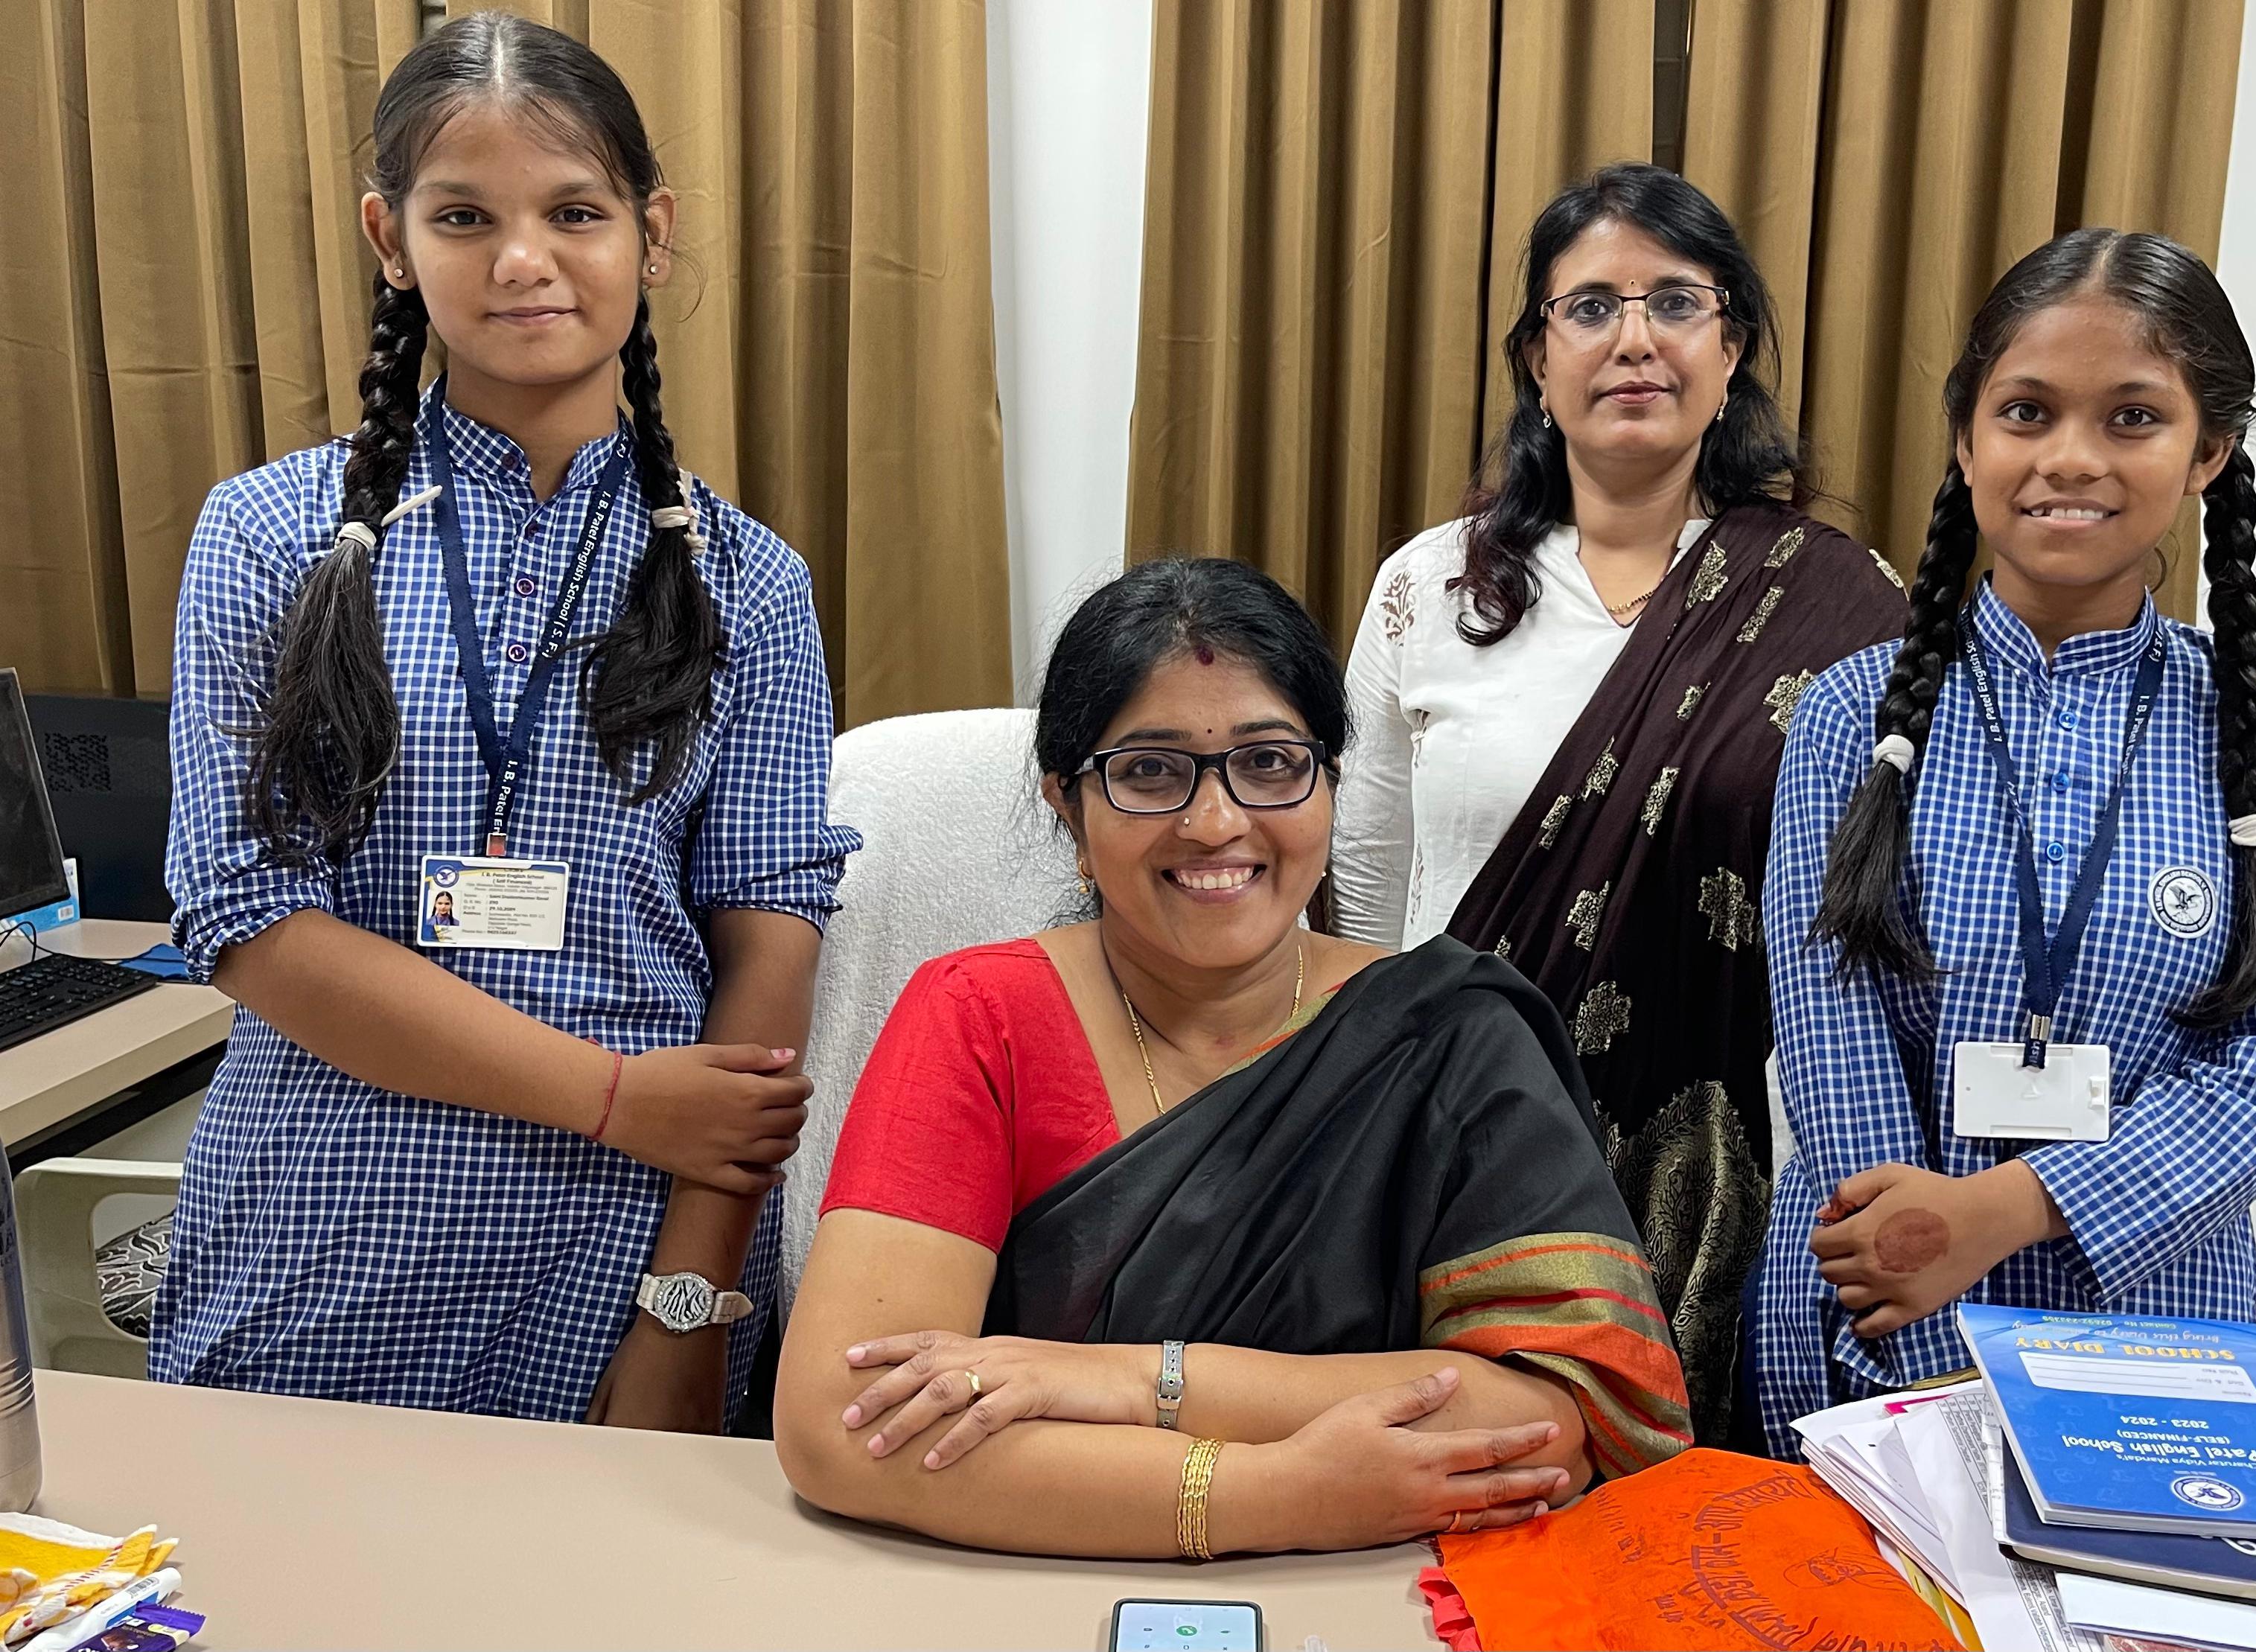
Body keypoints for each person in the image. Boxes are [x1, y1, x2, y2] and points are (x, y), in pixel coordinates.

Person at [156, 13, 853, 1431]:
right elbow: (246, 916)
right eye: (464, 217)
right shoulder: (271, 534)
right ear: (391, 238)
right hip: (325, 1232)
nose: (523, 260)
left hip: (624, 1244)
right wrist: (613, 1094)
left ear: (653, 233)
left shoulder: (750, 581)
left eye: (575, 212)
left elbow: (767, 947)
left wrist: (689, 1304)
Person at [777, 558, 1690, 1559]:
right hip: (1028, 1585)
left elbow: (1553, 1423)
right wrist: (1275, 1493)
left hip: (1396, 1594)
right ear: (1068, 807)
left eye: (1268, 763)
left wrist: (1136, 1381)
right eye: (1149, 771)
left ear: (1330, 784)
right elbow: (845, 1427)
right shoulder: (979, 1016)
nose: (1215, 822)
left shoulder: (1451, 1035)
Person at [1750, 230, 2256, 1457]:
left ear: (2208, 451)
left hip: (2155, 1326)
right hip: (1868, 1305)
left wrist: (2014, 1208)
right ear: (1965, 437)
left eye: (2133, 417)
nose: (2069, 458)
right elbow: (1828, 1019)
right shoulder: (1847, 714)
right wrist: (1917, 1273)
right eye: (2025, 412)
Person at [1330, 163, 1906, 1438]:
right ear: (1537, 360)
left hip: (1721, 1174)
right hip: (1449, 1135)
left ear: (1729, 349)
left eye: (1675, 303)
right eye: (1589, 307)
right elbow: (1364, 880)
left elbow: (1862, 919)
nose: (1633, 339)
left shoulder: (1838, 602)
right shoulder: (1429, 586)